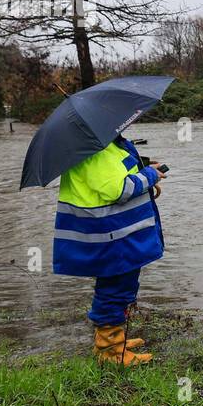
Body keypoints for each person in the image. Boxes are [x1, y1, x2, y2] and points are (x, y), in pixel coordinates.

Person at [51, 132, 167, 366]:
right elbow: (119, 189)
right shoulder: (94, 150)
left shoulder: (110, 144)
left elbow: (117, 175)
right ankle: (111, 351)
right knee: (115, 288)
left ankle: (114, 339)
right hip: (111, 237)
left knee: (121, 285)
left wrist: (143, 168)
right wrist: (150, 175)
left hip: (119, 235)